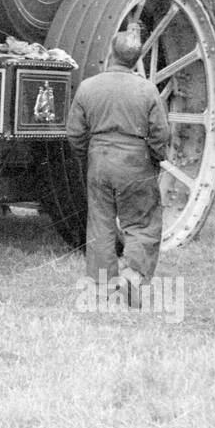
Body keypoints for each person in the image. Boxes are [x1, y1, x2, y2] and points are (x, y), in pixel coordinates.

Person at [66, 30, 170, 304]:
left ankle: (101, 288)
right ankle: (132, 280)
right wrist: (155, 159)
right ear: (136, 60)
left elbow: (75, 134)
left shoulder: (88, 86)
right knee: (142, 224)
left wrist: (87, 157)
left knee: (100, 224)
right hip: (136, 163)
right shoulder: (147, 89)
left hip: (98, 160)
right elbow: (160, 134)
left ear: (111, 52)